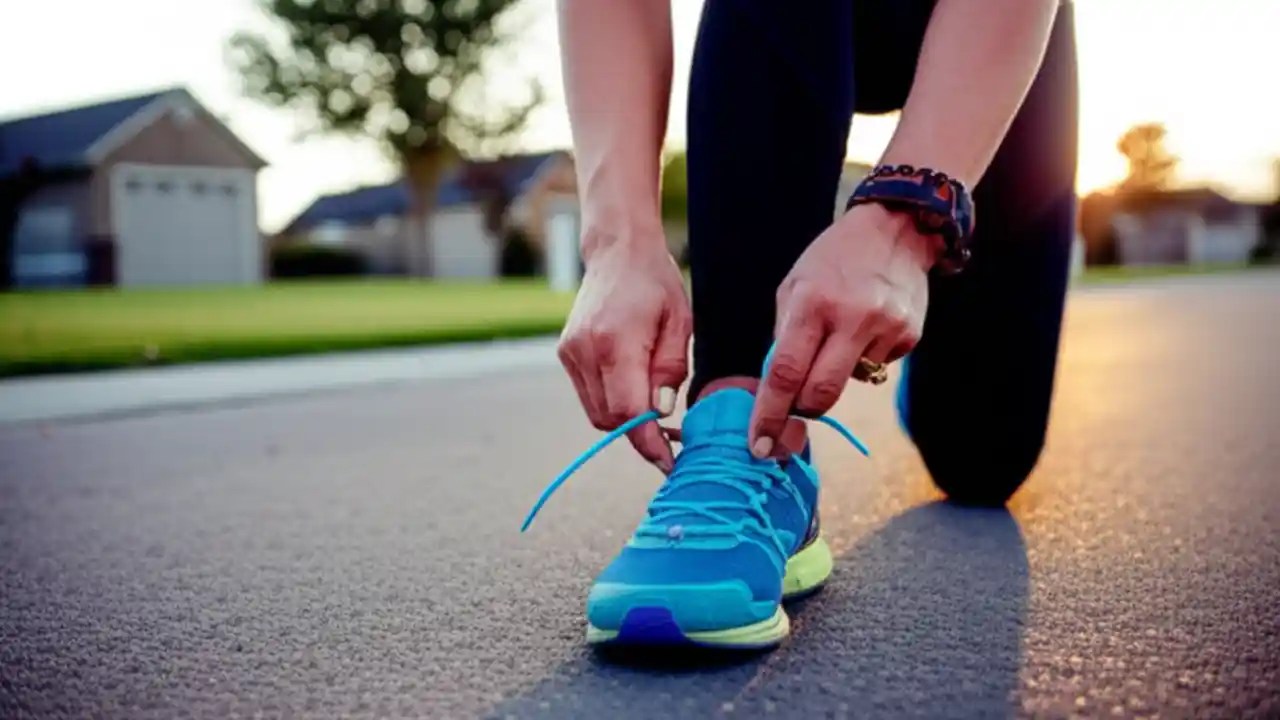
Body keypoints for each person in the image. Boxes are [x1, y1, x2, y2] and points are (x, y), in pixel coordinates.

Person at [527, 0, 1077, 649]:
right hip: (776, 31)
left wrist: (907, 217)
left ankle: (915, 329)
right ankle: (749, 435)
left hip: (993, 30)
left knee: (982, 459)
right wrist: (617, 243)